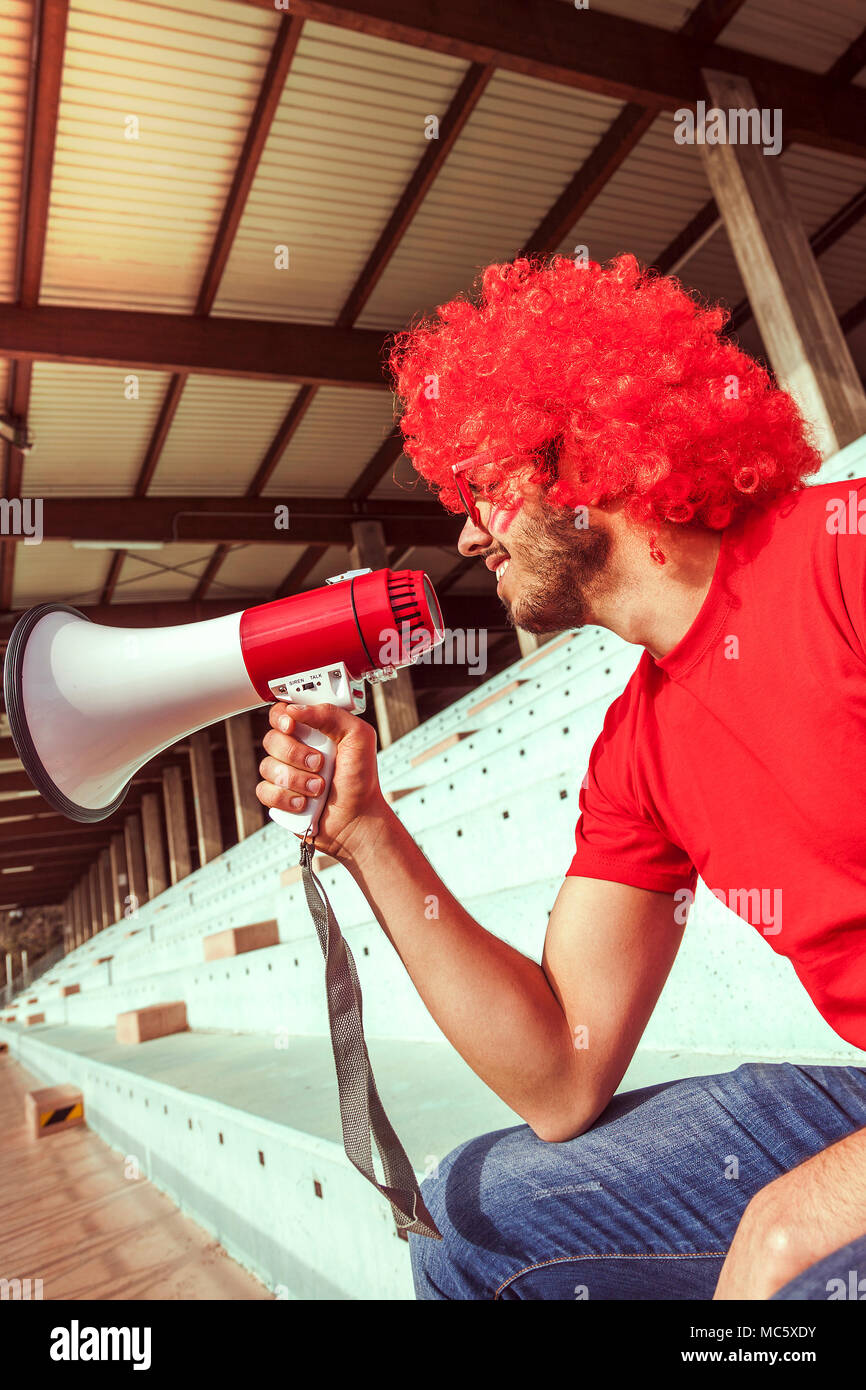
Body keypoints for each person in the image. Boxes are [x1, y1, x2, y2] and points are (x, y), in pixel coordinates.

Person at [255, 255, 866, 1300]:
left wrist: (788, 1219)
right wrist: (366, 833)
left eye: (485, 488)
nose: (464, 530)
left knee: (795, 1279)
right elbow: (558, 1078)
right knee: (470, 1220)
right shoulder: (639, 747)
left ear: (584, 454)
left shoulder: (841, 558)